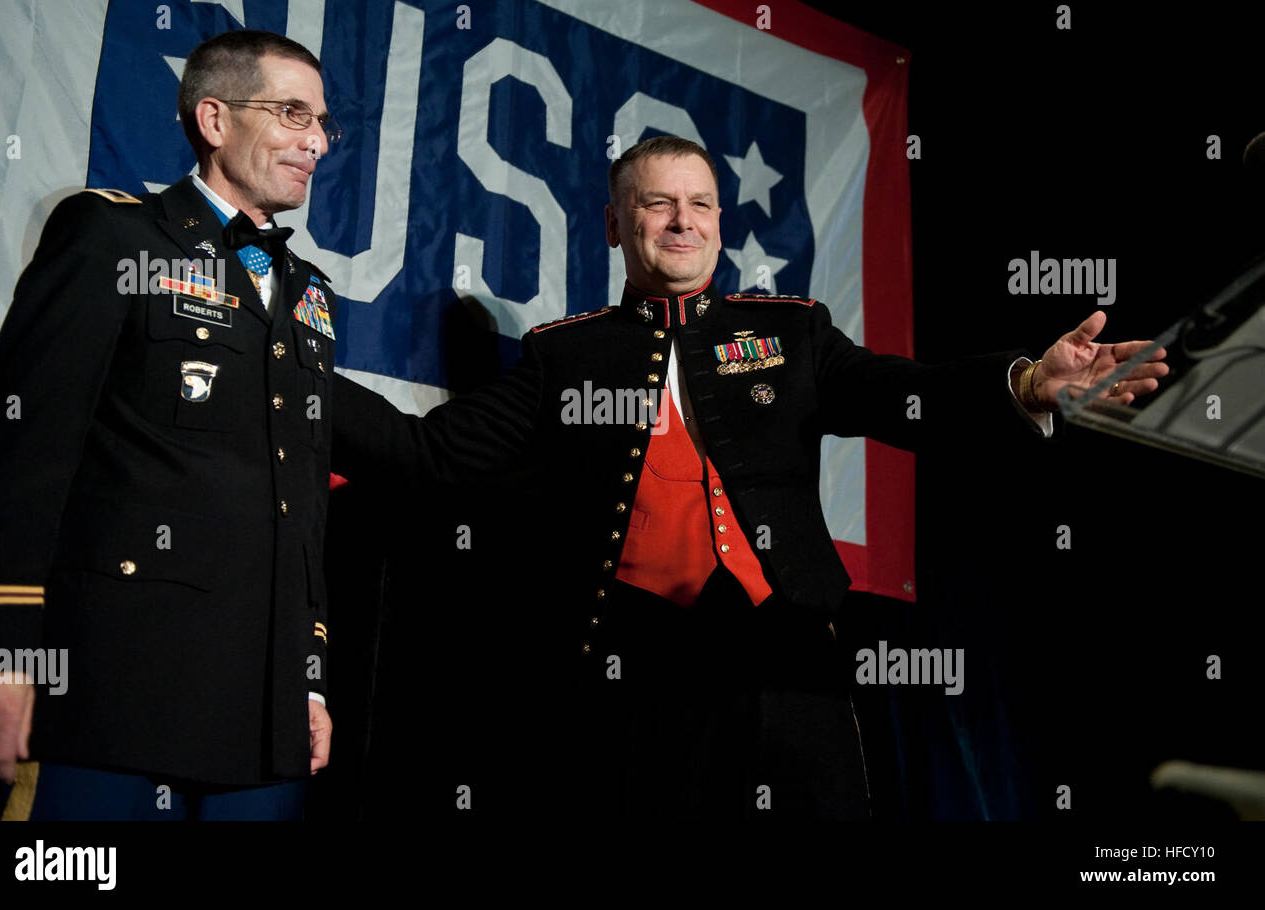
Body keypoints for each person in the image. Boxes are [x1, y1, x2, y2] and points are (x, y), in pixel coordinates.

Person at [331, 135, 1170, 818]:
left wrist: (1027, 383)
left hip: (790, 668)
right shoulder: (565, 355)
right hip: (637, 681)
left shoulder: (794, 334)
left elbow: (908, 397)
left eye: (700, 204)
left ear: (722, 225)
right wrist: (293, 379)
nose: (682, 222)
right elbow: (425, 455)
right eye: (658, 204)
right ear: (616, 224)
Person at [0, 30, 347, 819]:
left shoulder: (310, 295)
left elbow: (302, 504)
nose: (316, 140)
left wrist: (306, 673)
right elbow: (22, 449)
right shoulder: (112, 235)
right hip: (114, 691)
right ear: (214, 118)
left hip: (264, 711)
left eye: (322, 123)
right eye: (291, 113)